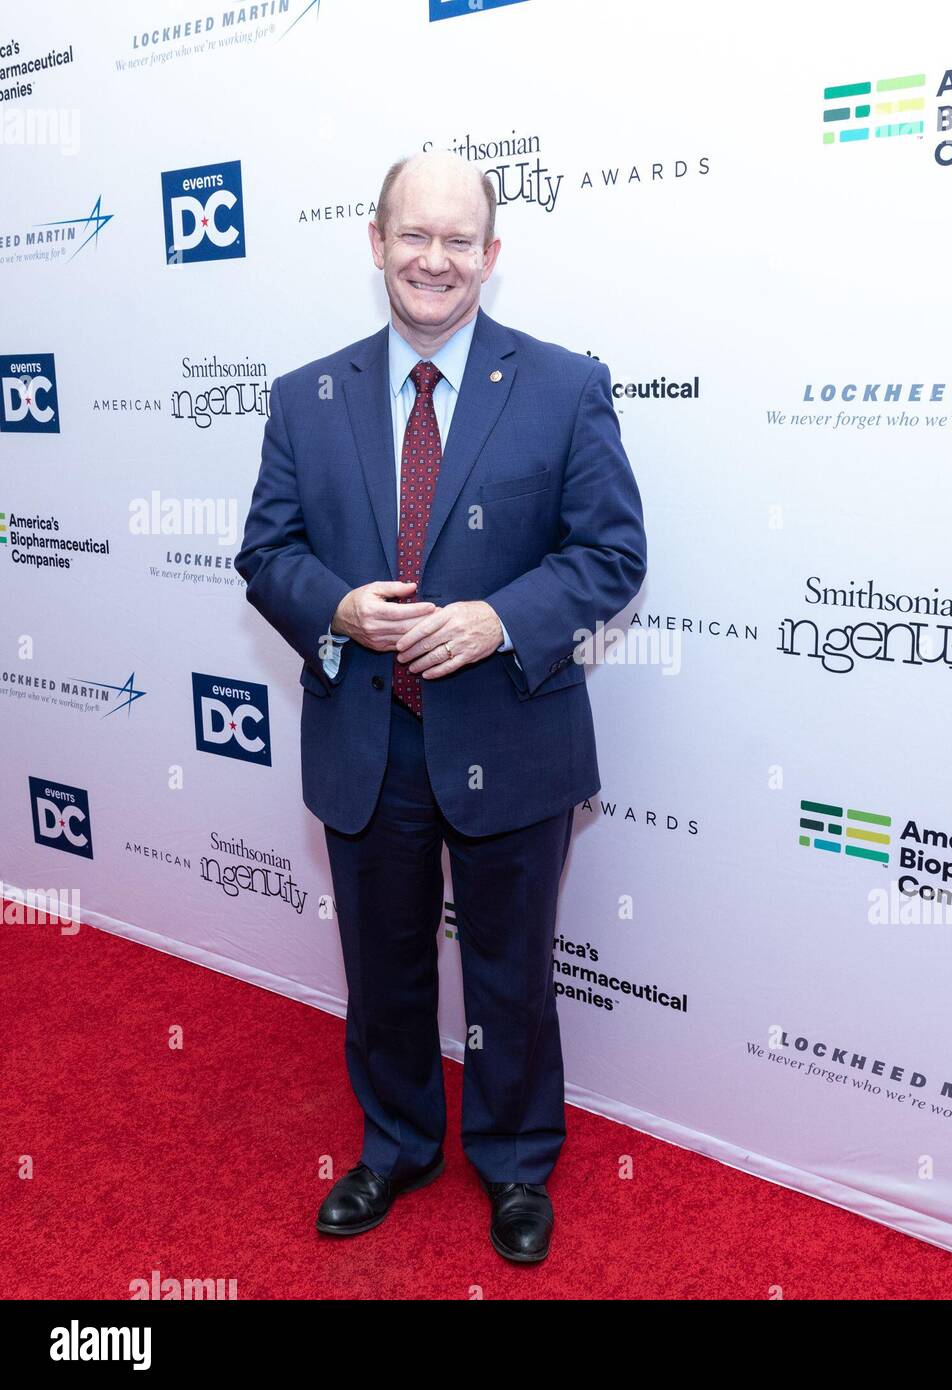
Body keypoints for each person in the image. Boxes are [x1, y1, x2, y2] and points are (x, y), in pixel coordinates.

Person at [234, 150, 646, 1263]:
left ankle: (516, 1162)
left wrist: (499, 620)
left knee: (512, 971)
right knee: (384, 964)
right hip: (368, 738)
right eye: (413, 235)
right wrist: (342, 609)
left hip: (512, 731)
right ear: (375, 242)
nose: (434, 259)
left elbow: (612, 553)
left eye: (459, 240)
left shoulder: (564, 386)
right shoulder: (303, 397)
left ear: (492, 257)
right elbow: (266, 552)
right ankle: (400, 1140)